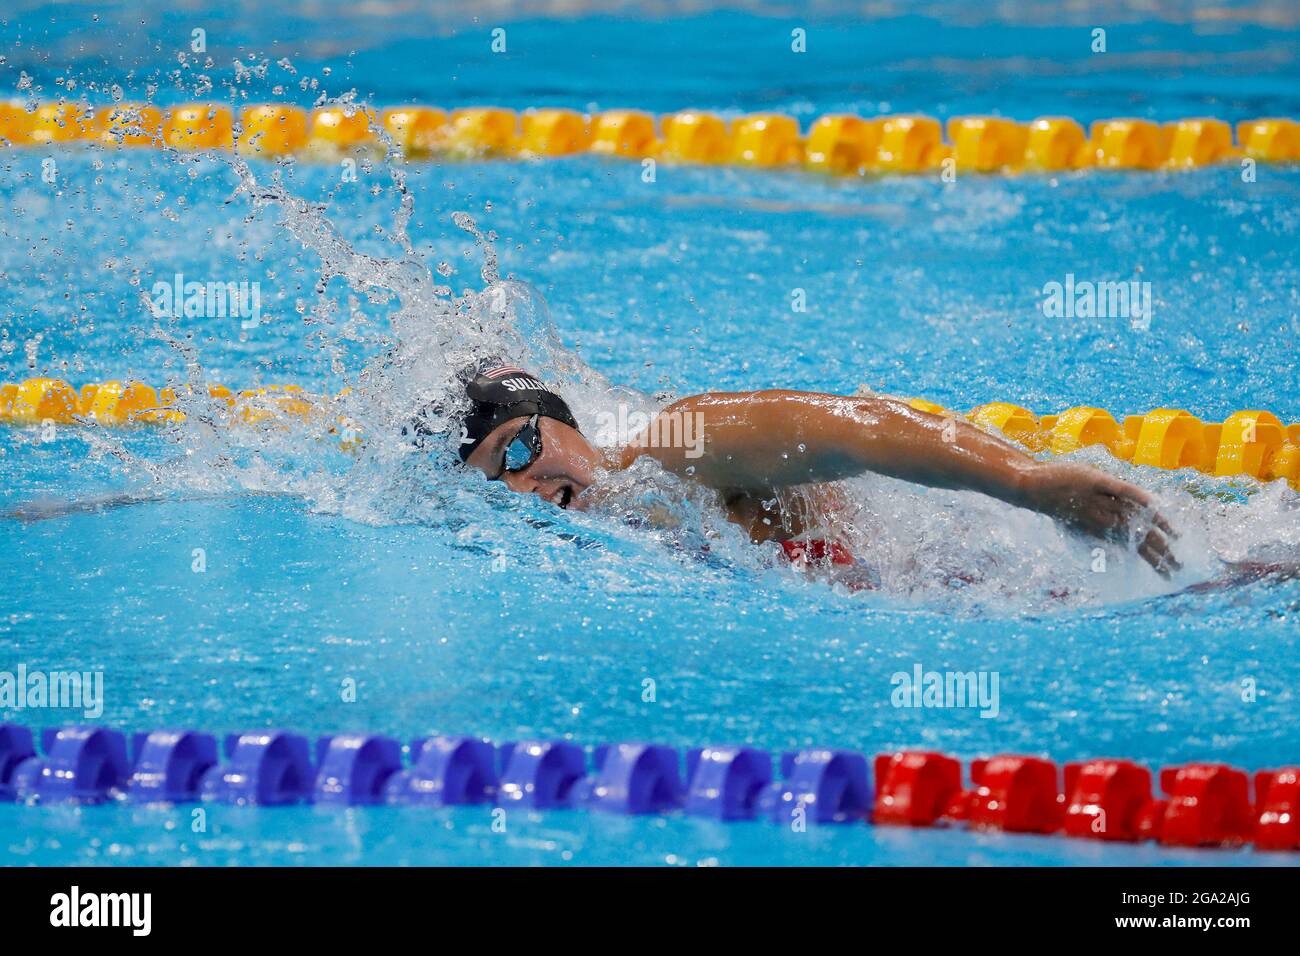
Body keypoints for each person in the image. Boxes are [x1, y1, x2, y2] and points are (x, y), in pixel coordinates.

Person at [433, 362, 1181, 577]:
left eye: (520, 451)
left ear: (560, 418)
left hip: (1010, 571)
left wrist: (1028, 483)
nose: (526, 489)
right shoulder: (613, 542)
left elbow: (854, 427)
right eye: (498, 485)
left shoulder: (673, 443)